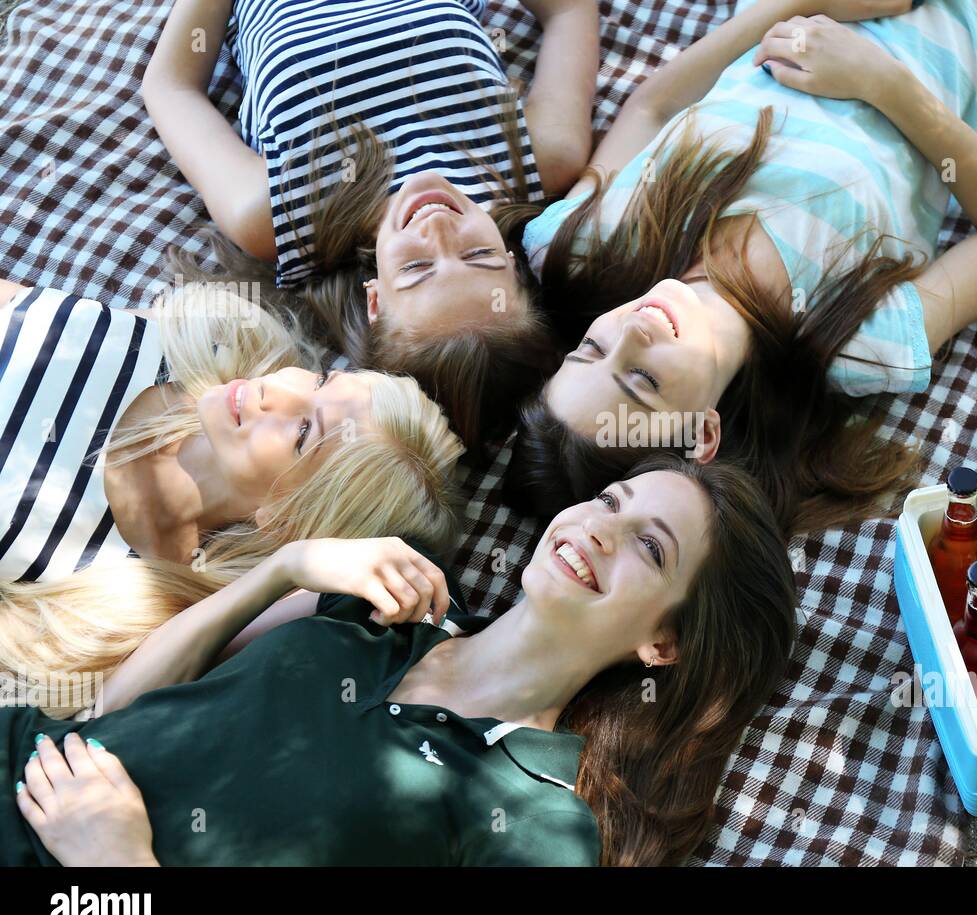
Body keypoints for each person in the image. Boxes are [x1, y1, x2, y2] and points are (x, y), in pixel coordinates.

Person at [5, 458, 797, 866]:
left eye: (649, 548)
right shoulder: (380, 597)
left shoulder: (540, 827)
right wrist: (284, 569)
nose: (600, 529)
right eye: (614, 500)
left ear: (662, 645)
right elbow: (115, 715)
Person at [504, 0, 977, 532]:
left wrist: (801, 5)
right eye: (644, 379)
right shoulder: (853, 344)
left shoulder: (581, 245)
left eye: (591, 349)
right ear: (703, 433)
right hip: (975, 24)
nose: (634, 329)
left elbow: (654, 107)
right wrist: (883, 84)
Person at [144, 0, 600, 450]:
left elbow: (171, 88)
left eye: (418, 267)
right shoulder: (538, 159)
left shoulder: (277, 217)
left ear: (376, 299)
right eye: (478, 256)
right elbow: (569, 11)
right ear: (514, 264)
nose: (437, 227)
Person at [0, 277, 464, 706]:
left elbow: (107, 714)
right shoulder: (174, 344)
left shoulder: (130, 600)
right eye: (323, 381)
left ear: (283, 516)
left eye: (304, 432)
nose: (278, 389)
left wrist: (284, 569)